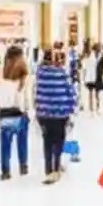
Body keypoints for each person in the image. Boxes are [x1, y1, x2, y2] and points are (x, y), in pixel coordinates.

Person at [34, 48, 77, 184]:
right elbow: (70, 92)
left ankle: (48, 170)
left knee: (47, 140)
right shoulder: (62, 73)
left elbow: (36, 93)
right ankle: (56, 167)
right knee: (59, 140)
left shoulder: (39, 75)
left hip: (44, 114)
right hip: (60, 113)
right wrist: (71, 108)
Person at [0, 46, 33, 180]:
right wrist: (27, 111)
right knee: (22, 142)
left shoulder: (0, 75)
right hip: (19, 114)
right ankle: (23, 165)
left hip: (4, 114)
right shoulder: (23, 77)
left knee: (5, 145)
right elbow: (25, 99)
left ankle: (5, 171)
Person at [85, 43, 103, 114]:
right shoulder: (90, 56)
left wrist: (101, 72)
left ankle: (97, 108)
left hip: (98, 77)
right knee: (91, 93)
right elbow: (86, 66)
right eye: (96, 49)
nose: (97, 51)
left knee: (97, 93)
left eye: (98, 49)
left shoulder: (102, 56)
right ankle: (91, 108)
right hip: (91, 77)